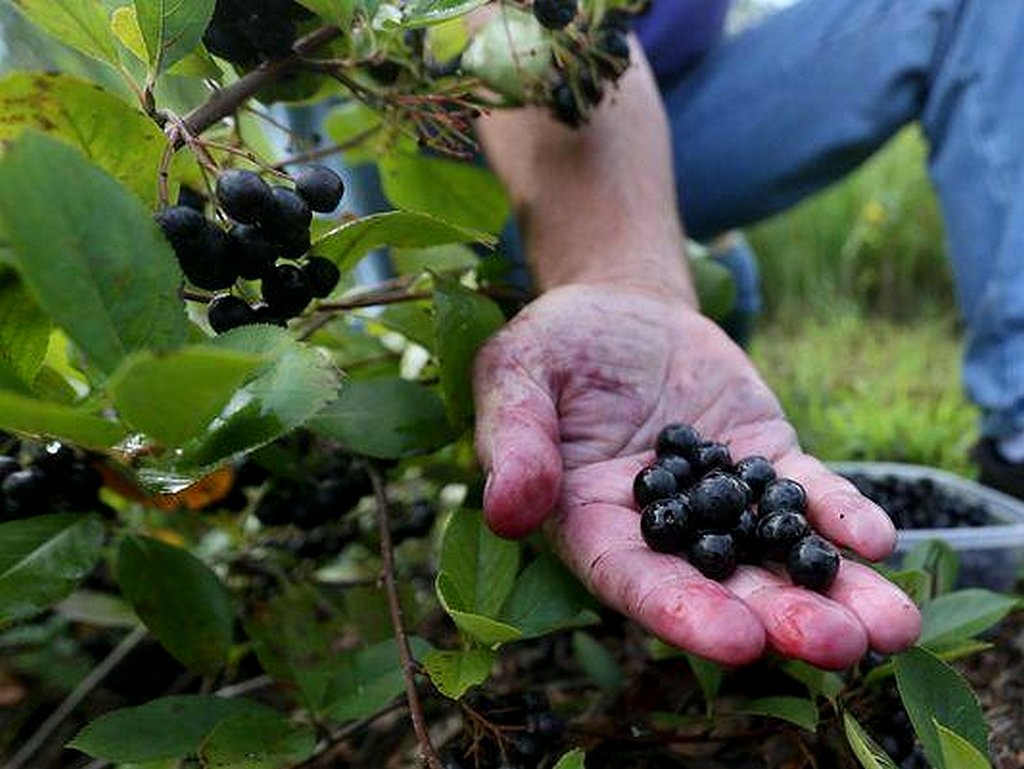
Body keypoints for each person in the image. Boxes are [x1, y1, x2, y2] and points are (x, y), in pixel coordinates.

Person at [468, 0, 1024, 667]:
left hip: (671, 97)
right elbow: (527, 20)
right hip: (473, 117)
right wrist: (620, 270)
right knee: (730, 284)